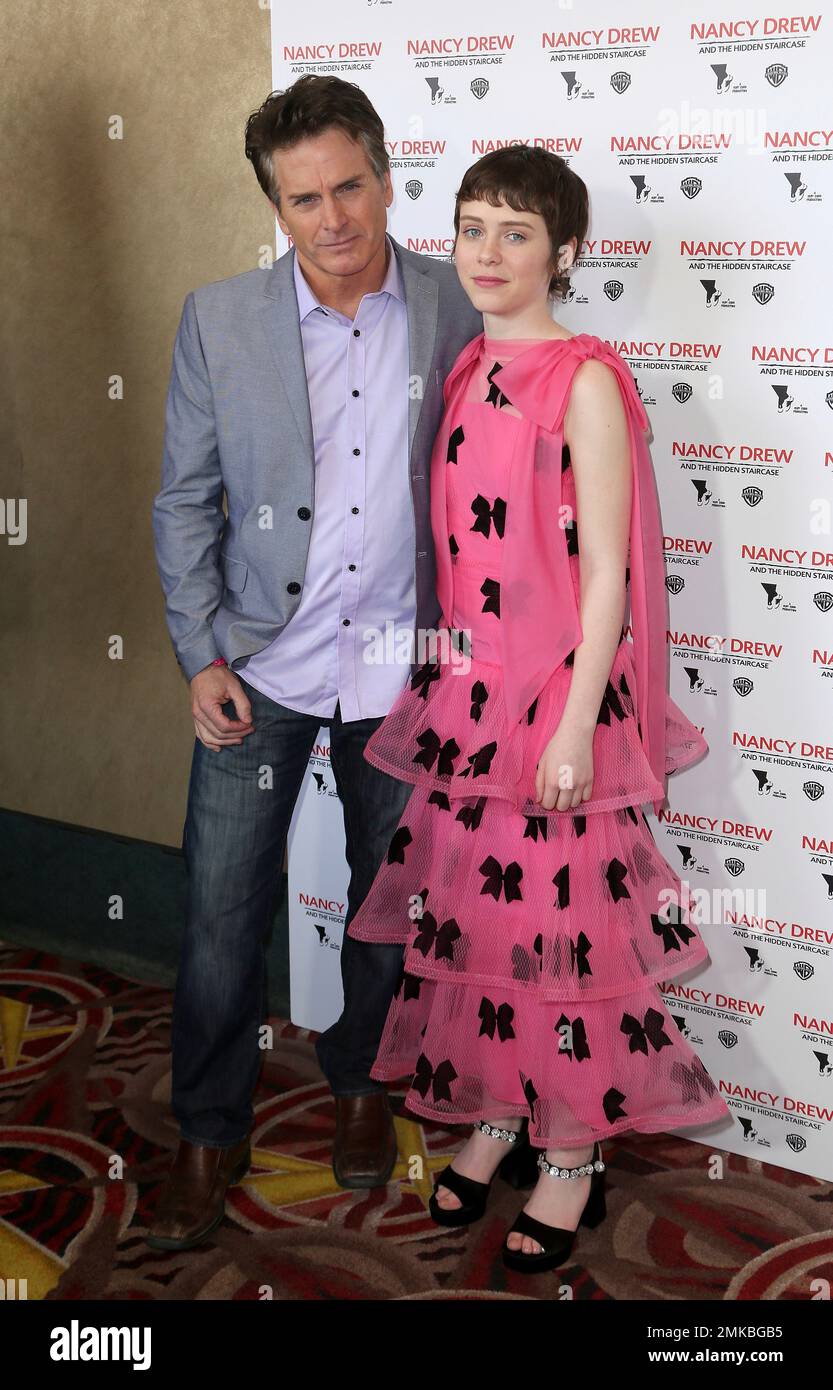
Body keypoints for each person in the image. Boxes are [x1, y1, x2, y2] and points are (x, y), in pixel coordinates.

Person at [344, 145, 732, 1274]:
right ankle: (500, 1113)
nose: (486, 253)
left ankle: (569, 1154)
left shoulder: (586, 378)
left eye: (515, 233)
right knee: (481, 922)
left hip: (556, 708)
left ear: (564, 251)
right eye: (470, 228)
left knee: (562, 932)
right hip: (471, 704)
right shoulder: (466, 368)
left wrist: (571, 727)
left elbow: (606, 571)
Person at [148, 74, 482, 1250]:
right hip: (265, 672)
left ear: (387, 179)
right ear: (275, 207)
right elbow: (183, 504)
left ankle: (359, 1083)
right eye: (303, 199)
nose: (332, 218)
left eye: (349, 187)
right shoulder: (219, 319)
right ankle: (207, 1127)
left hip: (404, 670)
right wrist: (200, 656)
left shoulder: (456, 307)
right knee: (219, 916)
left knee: (387, 911)